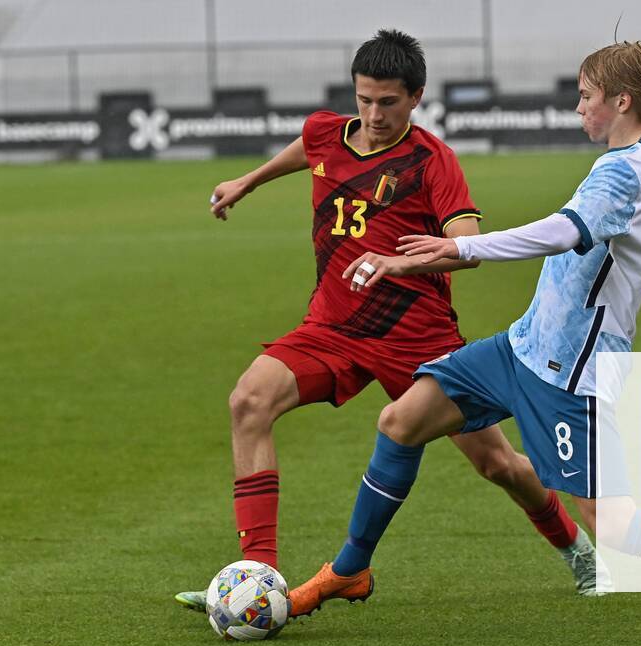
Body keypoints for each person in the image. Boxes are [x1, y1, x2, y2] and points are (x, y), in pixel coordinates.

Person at [290, 40, 641, 646]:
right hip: (523, 346)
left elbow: (562, 232)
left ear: (622, 102)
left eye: (587, 96)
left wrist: (456, 247)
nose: (579, 107)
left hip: (572, 371)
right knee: (401, 421)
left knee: (613, 526)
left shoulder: (622, 171)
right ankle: (349, 570)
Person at [174, 29, 606, 612]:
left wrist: (400, 262)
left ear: (416, 97)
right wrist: (246, 182)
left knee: (496, 463)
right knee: (248, 401)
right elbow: (307, 150)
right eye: (364, 99)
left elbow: (467, 245)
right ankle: (258, 579)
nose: (374, 115)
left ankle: (575, 549)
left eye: (389, 102)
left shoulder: (432, 161)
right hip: (331, 328)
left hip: (419, 341)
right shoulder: (325, 132)